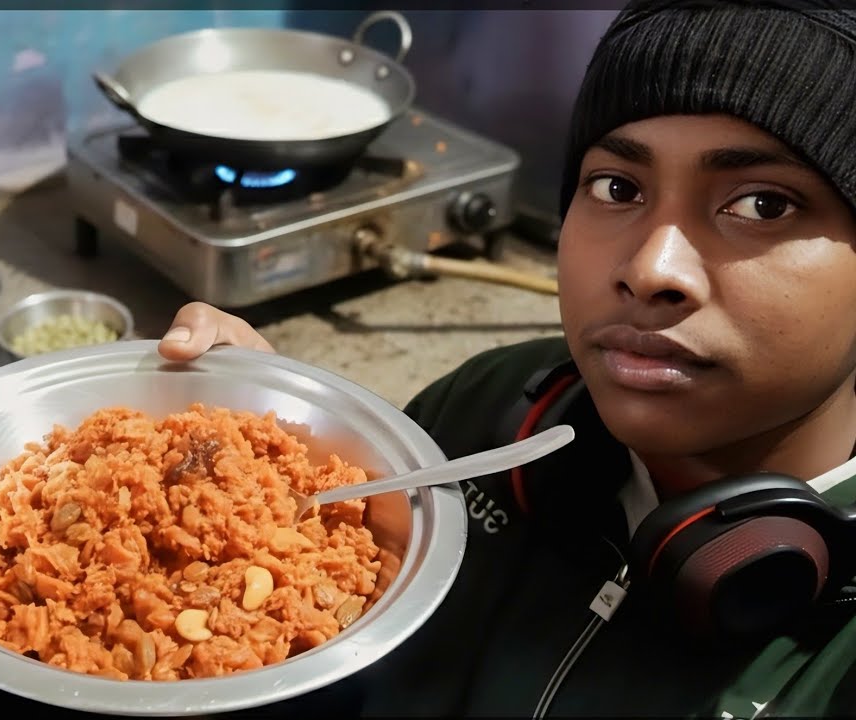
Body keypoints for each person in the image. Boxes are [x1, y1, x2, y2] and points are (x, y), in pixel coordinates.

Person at [156, 1, 856, 716]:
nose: (651, 269)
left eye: (764, 205)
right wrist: (261, 487)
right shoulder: (487, 405)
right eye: (617, 187)